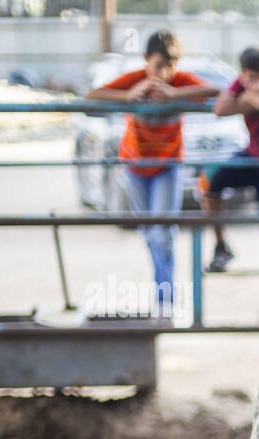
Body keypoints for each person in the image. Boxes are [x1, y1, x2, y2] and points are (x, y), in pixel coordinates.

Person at [88, 30, 218, 316]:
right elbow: (92, 95)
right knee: (149, 231)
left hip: (168, 165)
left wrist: (176, 94)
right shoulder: (134, 79)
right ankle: (165, 291)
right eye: (159, 65)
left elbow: (216, 91)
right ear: (147, 60)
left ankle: (165, 298)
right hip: (135, 165)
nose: (164, 73)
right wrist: (129, 94)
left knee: (164, 231)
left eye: (171, 66)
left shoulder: (180, 81)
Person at [199, 46, 259, 328]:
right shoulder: (241, 83)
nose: (257, 82)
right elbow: (220, 109)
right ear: (242, 74)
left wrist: (249, 95)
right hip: (253, 157)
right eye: (251, 78)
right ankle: (221, 246)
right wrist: (252, 94)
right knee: (208, 182)